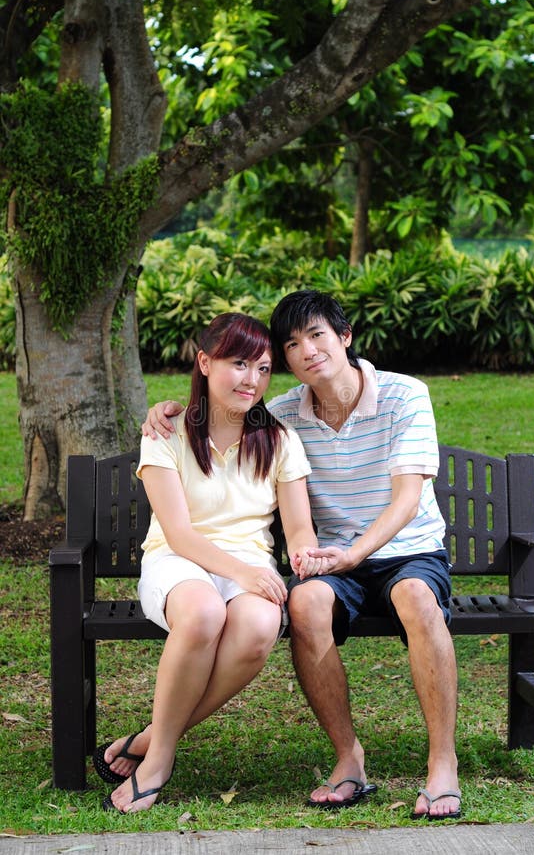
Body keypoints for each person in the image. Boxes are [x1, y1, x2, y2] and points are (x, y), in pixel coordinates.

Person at [138, 291, 461, 820]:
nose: (307, 350)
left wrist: (354, 554)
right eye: (292, 344)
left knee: (416, 598)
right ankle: (348, 759)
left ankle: (442, 763)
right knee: (306, 606)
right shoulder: (283, 414)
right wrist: (164, 409)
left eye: (317, 335)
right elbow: (221, 403)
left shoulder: (405, 395)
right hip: (330, 560)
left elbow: (406, 501)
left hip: (404, 550)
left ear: (345, 337)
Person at [96, 313, 317, 814]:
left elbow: (299, 526)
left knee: (262, 623)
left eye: (263, 369)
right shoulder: (166, 431)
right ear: (205, 362)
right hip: (178, 562)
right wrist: (242, 573)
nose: (252, 380)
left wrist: (303, 551)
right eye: (239, 364)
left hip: (248, 564)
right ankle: (159, 760)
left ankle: (150, 737)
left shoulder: (279, 440)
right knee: (203, 615)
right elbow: (178, 533)